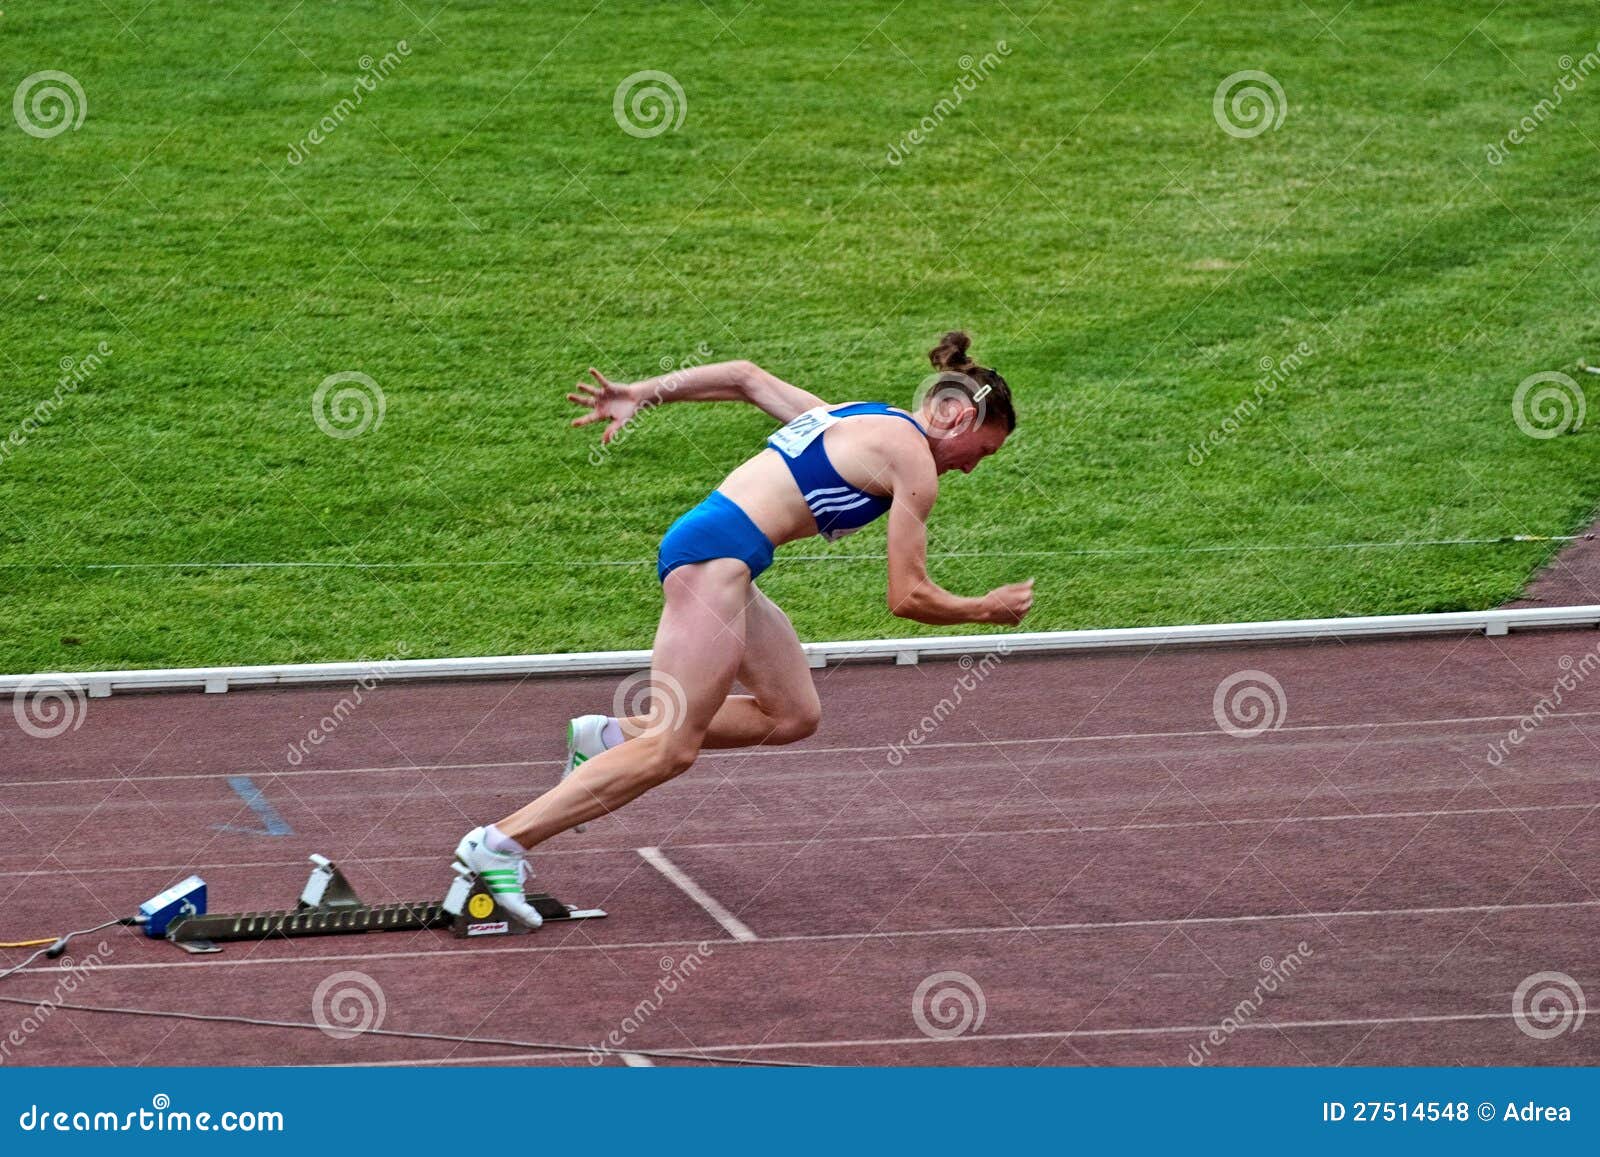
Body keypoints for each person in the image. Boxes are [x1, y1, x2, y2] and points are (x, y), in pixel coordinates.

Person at [453, 331, 1033, 925]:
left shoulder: (862, 417)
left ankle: (609, 738)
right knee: (673, 748)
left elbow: (746, 377)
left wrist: (641, 394)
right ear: (959, 415)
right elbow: (908, 596)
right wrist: (986, 609)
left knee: (791, 714)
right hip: (715, 562)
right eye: (981, 452)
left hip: (727, 557)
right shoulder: (913, 460)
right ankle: (498, 845)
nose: (968, 468)